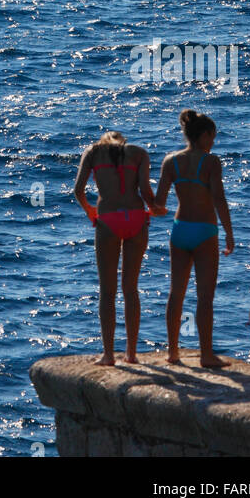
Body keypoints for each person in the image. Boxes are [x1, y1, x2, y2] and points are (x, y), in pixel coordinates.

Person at [74, 130, 165, 366]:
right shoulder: (139, 153)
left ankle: (108, 355)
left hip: (108, 220)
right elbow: (146, 192)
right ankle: (131, 353)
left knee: (107, 291)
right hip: (136, 218)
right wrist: (155, 207)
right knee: (131, 289)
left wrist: (89, 210)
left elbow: (78, 190)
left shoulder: (93, 152)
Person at [154, 109, 234, 368]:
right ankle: (207, 355)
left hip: (179, 230)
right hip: (204, 231)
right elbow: (219, 200)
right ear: (202, 135)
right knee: (205, 297)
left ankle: (173, 352)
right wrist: (230, 234)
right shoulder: (211, 162)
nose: (213, 142)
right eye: (212, 136)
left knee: (175, 294)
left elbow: (159, 204)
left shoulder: (170, 161)